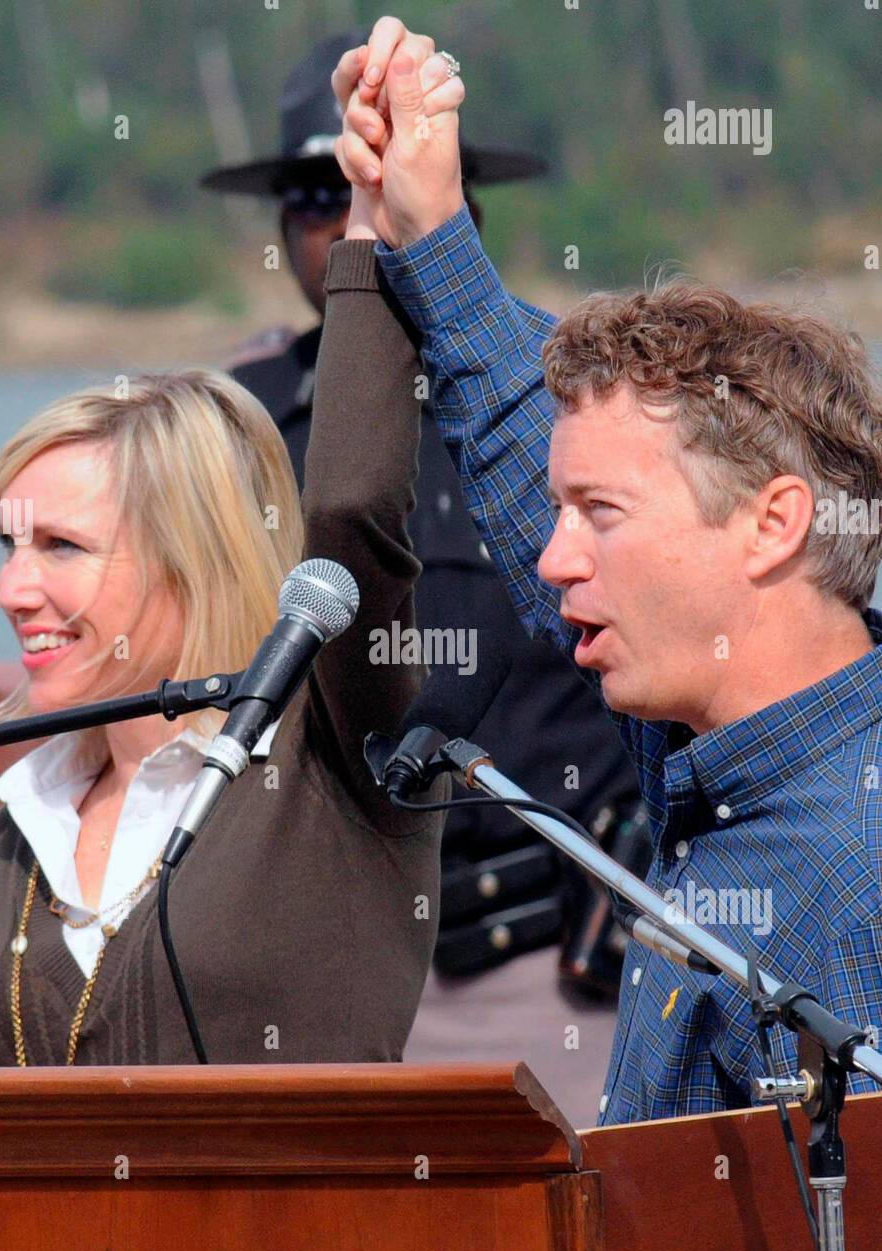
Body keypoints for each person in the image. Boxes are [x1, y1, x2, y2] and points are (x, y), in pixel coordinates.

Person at [331, 19, 882, 1124]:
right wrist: (424, 215)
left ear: (772, 525)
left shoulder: (849, 877)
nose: (550, 554)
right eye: (560, 505)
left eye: (601, 514)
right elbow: (508, 416)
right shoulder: (709, 732)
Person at [201, 33, 647, 1123]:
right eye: (313, 194)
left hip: (557, 951)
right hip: (324, 943)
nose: (336, 214)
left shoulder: (573, 406)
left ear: (468, 210)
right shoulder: (227, 424)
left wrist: (651, 832)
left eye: (350, 186)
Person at [0, 183, 449, 1066]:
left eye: (63, 546)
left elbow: (351, 509)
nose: (13, 588)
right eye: (10, 546)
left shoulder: (331, 767)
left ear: (193, 556)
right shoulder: (22, 822)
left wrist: (371, 224)